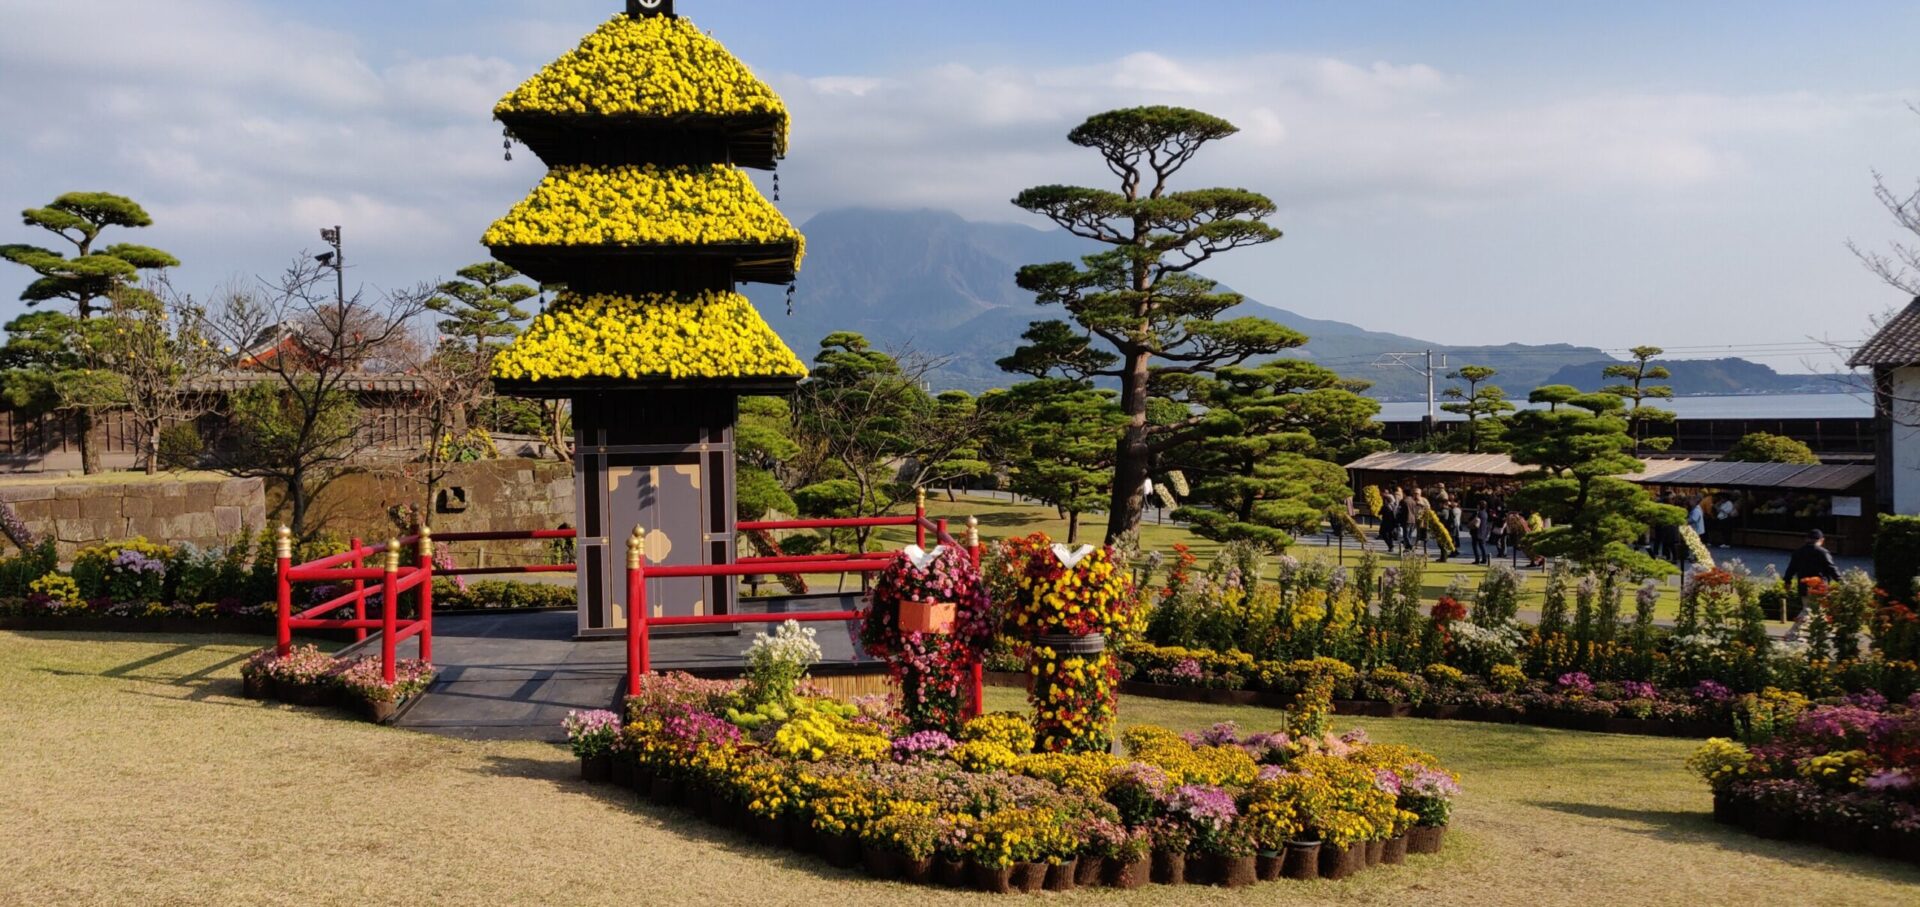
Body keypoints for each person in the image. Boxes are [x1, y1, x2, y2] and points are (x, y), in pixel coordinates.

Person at [1469, 500, 1491, 565]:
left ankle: (1477, 559)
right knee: (1482, 546)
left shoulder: (1478, 513)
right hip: (1483, 531)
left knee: (1475, 546)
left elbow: (1471, 519)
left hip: (1476, 531)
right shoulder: (1485, 513)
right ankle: (1484, 559)